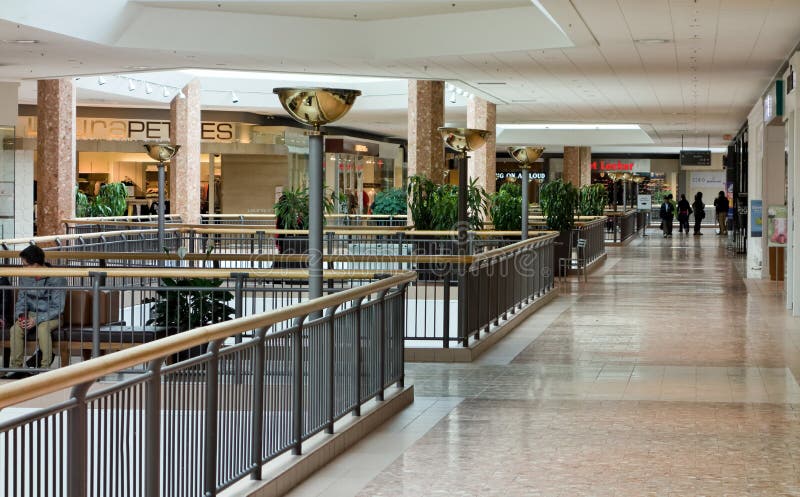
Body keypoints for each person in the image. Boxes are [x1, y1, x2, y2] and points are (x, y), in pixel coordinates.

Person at [4, 246, 67, 379]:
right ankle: (17, 368)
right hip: (30, 314)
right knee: (15, 329)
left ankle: (44, 368)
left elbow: (58, 308)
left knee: (43, 328)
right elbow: (22, 300)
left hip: (52, 316)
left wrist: (36, 320)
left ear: (36, 265)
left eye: (25, 265)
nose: (23, 268)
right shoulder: (25, 277)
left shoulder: (57, 278)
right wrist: (21, 316)